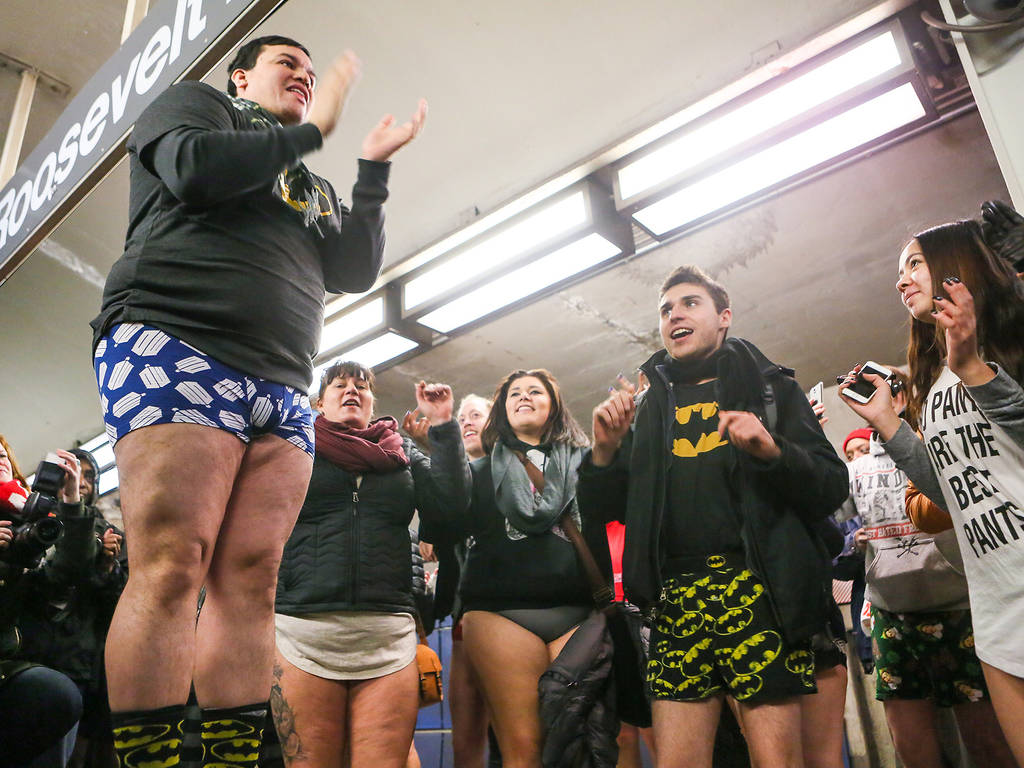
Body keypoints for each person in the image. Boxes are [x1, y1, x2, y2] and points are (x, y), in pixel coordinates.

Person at [88, 33, 427, 767]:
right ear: (241, 78)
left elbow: (356, 267)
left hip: (280, 379)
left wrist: (370, 169)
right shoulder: (195, 108)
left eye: (312, 75)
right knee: (174, 561)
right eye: (289, 68)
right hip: (175, 336)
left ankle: (235, 760)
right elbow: (195, 171)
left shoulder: (308, 184)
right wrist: (310, 132)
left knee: (251, 580)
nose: (305, 79)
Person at [578, 265, 849, 768]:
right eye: (665, 309)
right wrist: (603, 451)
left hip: (756, 590)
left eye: (689, 303)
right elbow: (602, 513)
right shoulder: (649, 407)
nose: (674, 314)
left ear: (724, 317)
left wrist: (772, 450)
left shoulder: (773, 391)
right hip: (673, 599)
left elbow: (832, 485)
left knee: (777, 761)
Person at [840, 218, 1024, 764]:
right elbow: (948, 493)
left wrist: (972, 366)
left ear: (955, 264)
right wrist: (889, 427)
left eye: (914, 263)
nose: (901, 281)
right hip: (991, 598)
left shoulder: (1009, 344)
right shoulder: (938, 383)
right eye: (899, 273)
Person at [269, 361, 467, 768]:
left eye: (361, 385)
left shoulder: (401, 453)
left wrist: (444, 428)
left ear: (372, 403)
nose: (351, 391)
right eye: (339, 385)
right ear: (319, 402)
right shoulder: (294, 447)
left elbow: (450, 513)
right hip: (303, 630)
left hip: (387, 633)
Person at [439, 369, 604, 767]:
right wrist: (443, 429)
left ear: (555, 406)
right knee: (524, 749)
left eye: (536, 391)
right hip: (501, 616)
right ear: (503, 410)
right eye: (515, 393)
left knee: (576, 745)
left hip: (579, 614)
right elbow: (443, 515)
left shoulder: (590, 465)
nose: (524, 396)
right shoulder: (476, 472)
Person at [0, 439, 94, 767]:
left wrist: (70, 502)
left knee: (56, 695)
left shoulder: (26, 520)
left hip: (15, 663)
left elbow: (66, 573)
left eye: (2, 455)